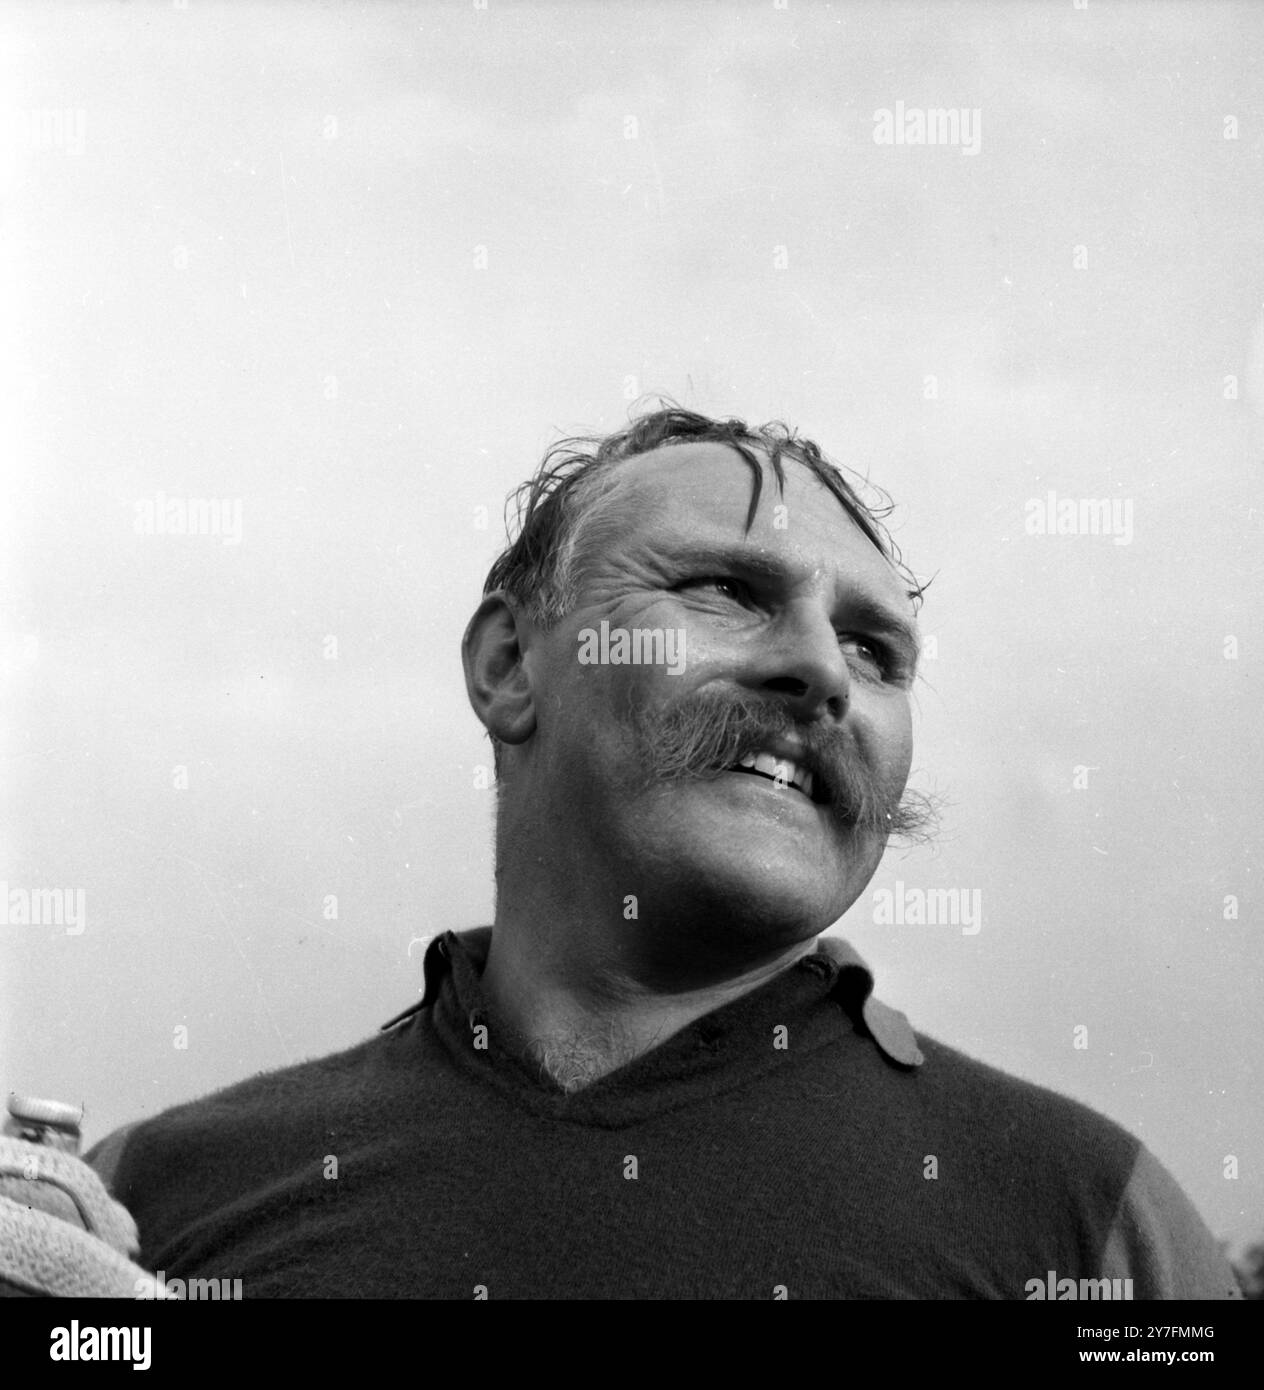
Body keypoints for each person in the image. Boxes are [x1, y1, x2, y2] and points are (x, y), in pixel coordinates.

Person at [7, 406, 1242, 1299]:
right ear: (508, 666)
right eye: (723, 590)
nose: (819, 669)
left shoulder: (1092, 1222)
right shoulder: (150, 1202)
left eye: (876, 650)